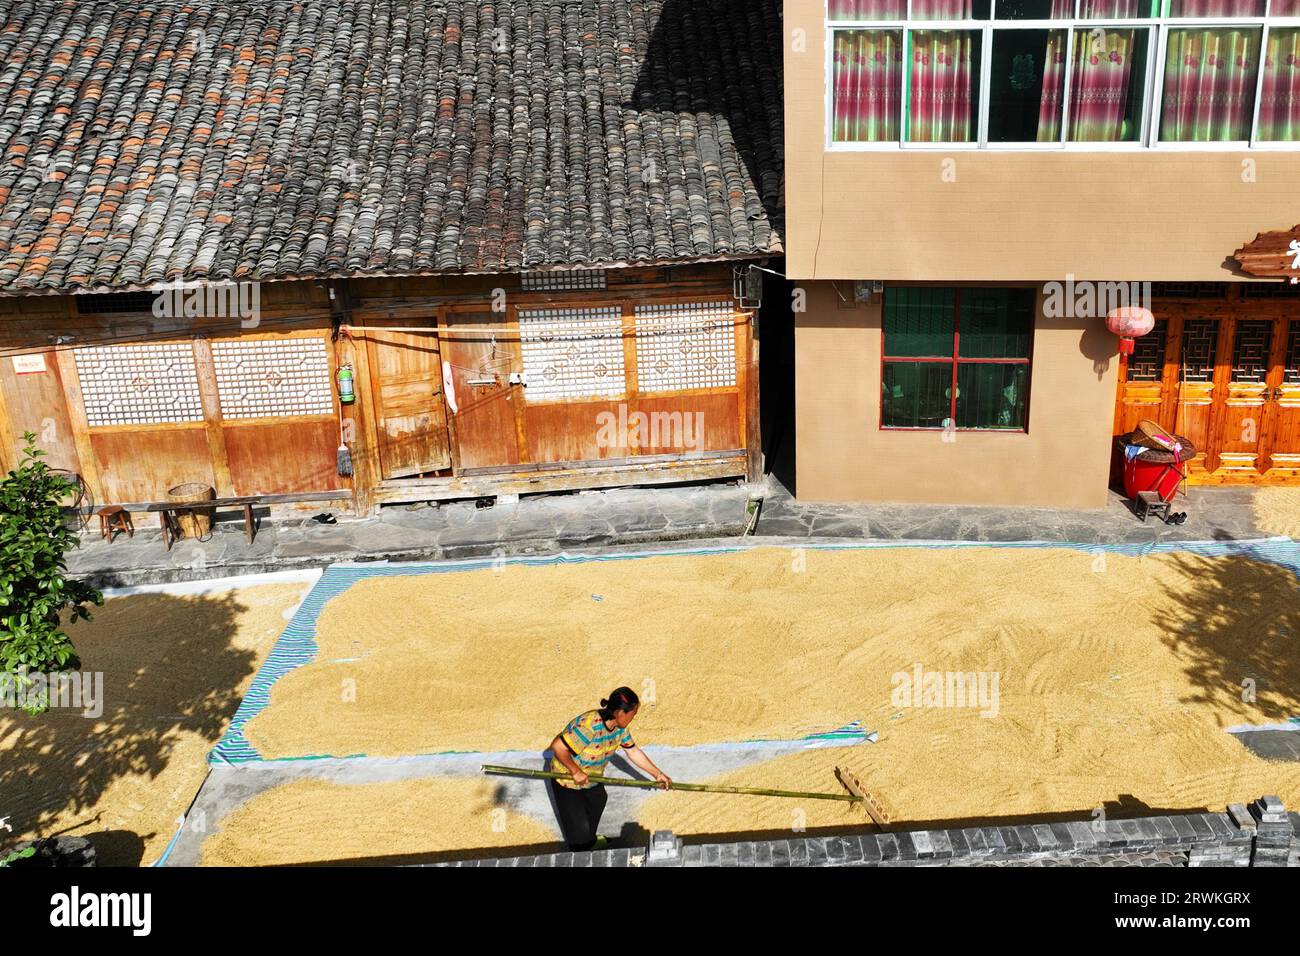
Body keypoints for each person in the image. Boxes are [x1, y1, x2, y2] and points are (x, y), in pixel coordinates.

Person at [547, 686, 671, 851]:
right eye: (633, 714)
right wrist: (575, 771)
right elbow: (558, 747)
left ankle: (590, 840)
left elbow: (633, 751)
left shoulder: (620, 728)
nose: (634, 718)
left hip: (592, 777)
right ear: (620, 713)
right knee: (579, 838)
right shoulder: (589, 727)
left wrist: (658, 774)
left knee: (599, 800)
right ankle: (583, 846)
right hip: (567, 781)